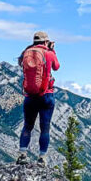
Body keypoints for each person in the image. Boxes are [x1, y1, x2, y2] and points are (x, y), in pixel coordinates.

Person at [17, 31, 60, 164]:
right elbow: (56, 67)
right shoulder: (48, 53)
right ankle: (42, 158)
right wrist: (52, 51)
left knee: (27, 126)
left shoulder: (26, 53)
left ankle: (23, 154)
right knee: (45, 128)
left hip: (30, 96)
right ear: (46, 41)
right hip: (46, 95)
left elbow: (20, 64)